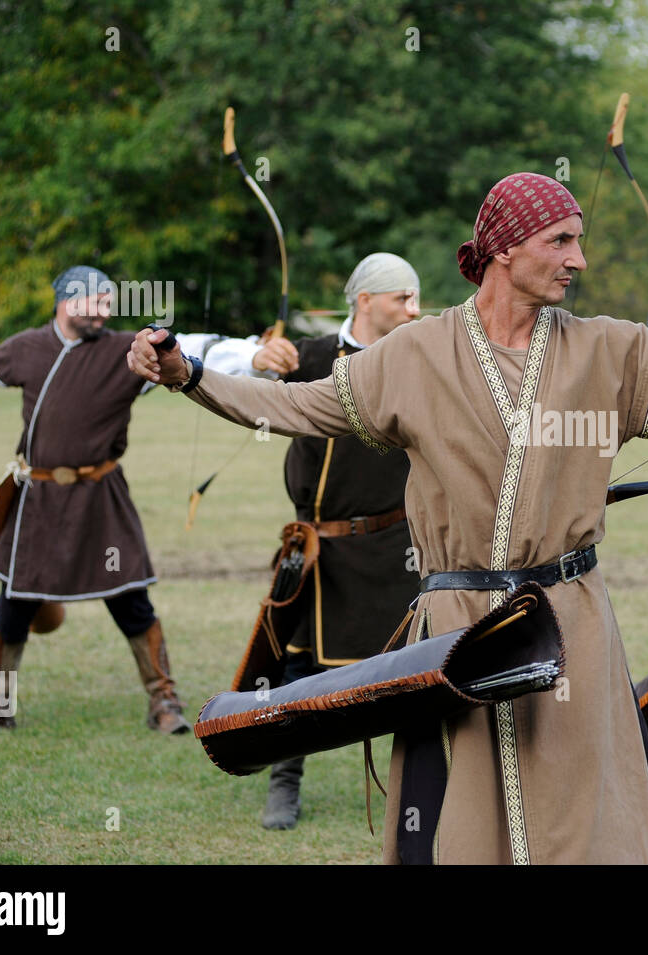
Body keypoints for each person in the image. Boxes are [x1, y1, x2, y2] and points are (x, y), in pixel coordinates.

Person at [126, 172, 648, 864]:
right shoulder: (411, 358)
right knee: (462, 826)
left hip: (571, 626)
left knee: (584, 825)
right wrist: (189, 372)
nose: (579, 259)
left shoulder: (606, 350)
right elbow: (296, 406)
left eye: (578, 240)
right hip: (455, 632)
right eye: (561, 241)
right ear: (503, 250)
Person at [0, 265, 298, 736]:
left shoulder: (126, 351)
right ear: (64, 302)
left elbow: (197, 347)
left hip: (100, 498)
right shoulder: (29, 347)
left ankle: (164, 702)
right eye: (94, 301)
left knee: (130, 601)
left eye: (108, 302)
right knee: (13, 604)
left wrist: (255, 355)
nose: (104, 311)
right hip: (38, 500)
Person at [222, 252, 423, 830]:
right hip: (321, 550)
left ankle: (415, 788)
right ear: (364, 301)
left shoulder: (415, 358)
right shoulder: (307, 358)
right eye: (401, 299)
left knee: (407, 671)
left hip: (395, 547)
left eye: (415, 299)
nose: (413, 310)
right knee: (299, 671)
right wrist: (259, 356)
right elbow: (233, 375)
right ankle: (285, 783)